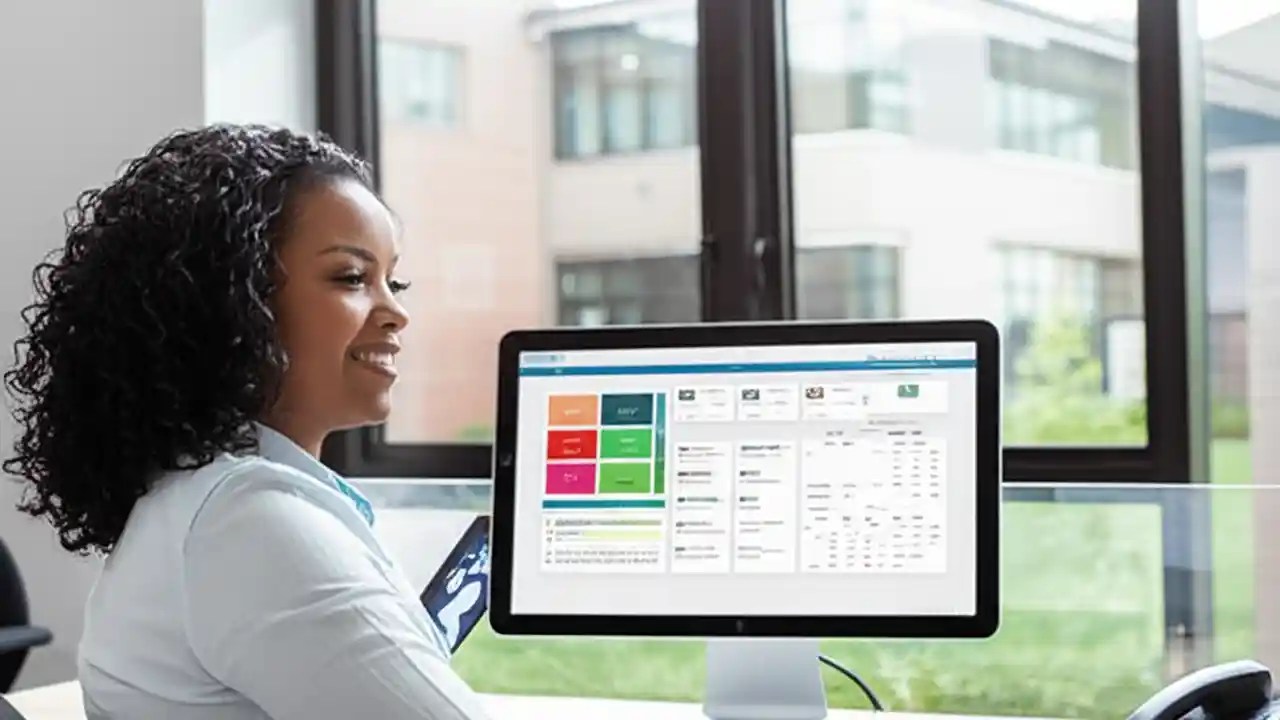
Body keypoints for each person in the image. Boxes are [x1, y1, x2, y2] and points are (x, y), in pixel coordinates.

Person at [3, 125, 493, 719]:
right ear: (235, 302)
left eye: (395, 281)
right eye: (351, 277)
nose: (396, 312)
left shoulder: (200, 498)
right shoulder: (249, 523)